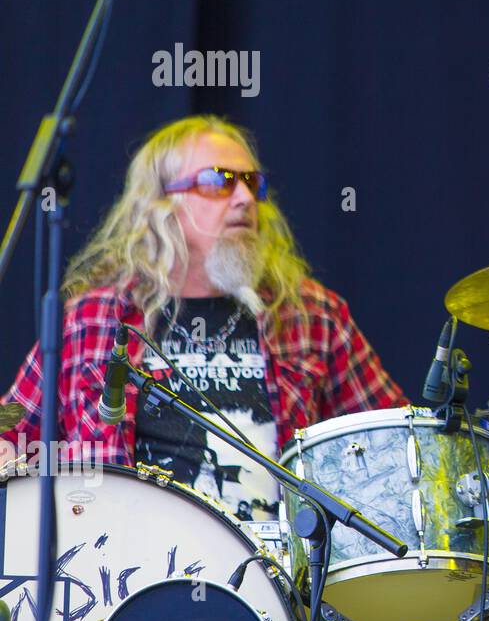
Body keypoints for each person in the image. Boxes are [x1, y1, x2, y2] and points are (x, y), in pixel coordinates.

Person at [0, 115, 405, 520]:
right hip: (126, 570)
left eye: (252, 182)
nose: (245, 198)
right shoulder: (91, 320)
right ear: (161, 205)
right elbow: (11, 432)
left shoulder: (312, 315)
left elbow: (396, 446)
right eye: (219, 181)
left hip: (279, 576)